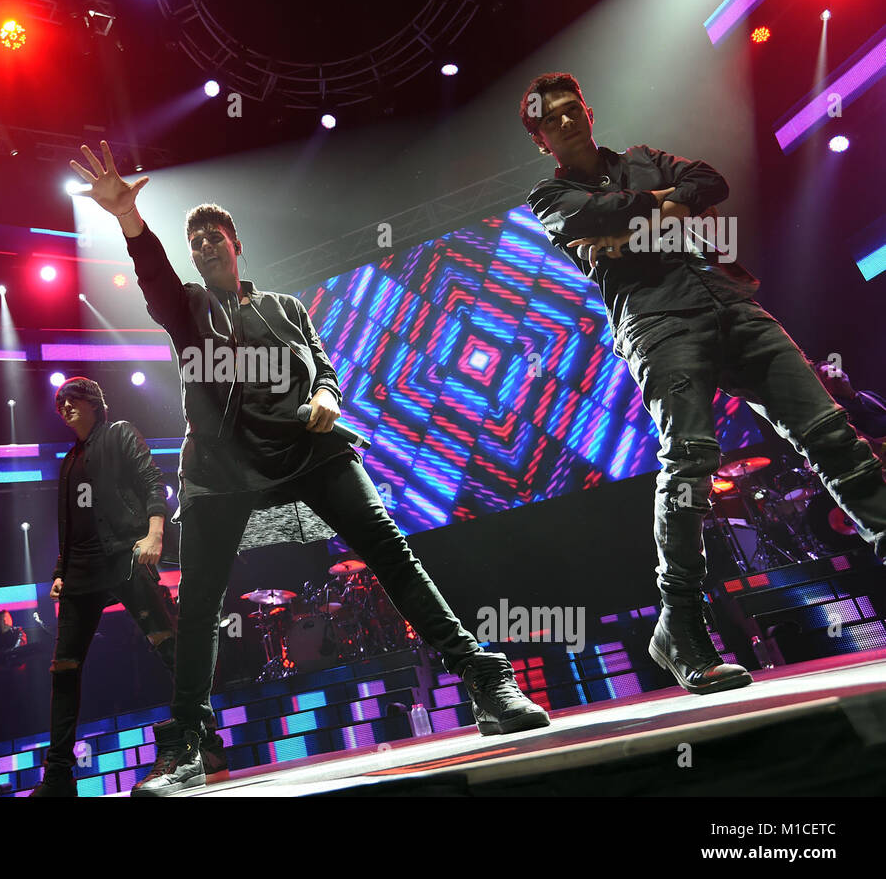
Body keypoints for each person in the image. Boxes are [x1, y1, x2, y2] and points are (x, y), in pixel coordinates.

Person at [69, 142, 549, 797]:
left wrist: (326, 395)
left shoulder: (285, 308)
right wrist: (129, 218)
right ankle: (188, 743)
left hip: (306, 449)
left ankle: (484, 677)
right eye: (196, 239)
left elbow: (322, 366)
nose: (206, 244)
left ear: (237, 245)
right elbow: (151, 273)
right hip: (219, 468)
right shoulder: (185, 308)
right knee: (201, 602)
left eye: (215, 235)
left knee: (390, 549)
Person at [521, 72, 886, 695]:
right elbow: (595, 221)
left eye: (570, 109)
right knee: (689, 467)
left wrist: (641, 213)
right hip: (658, 325)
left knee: (831, 433)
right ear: (540, 140)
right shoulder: (549, 197)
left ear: (588, 110)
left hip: (733, 304)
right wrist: (662, 204)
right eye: (549, 118)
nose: (565, 121)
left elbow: (710, 180)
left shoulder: (643, 159)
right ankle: (681, 625)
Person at [32, 376, 226, 796]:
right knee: (63, 669)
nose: (64, 407)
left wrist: (154, 533)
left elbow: (151, 480)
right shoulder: (68, 461)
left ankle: (205, 742)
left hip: (124, 555)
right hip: (81, 572)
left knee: (168, 645)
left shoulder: (119, 434)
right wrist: (60, 572)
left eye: (73, 399)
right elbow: (68, 525)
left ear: (95, 403)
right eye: (59, 402)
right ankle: (59, 775)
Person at [814, 361, 886, 460]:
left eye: (835, 369)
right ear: (825, 387)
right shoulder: (836, 411)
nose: (835, 373)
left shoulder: (867, 394)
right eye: (827, 374)